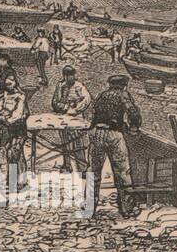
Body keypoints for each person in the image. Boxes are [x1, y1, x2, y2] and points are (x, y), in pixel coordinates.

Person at [87, 74, 141, 218]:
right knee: (122, 172)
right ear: (124, 85)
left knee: (94, 171)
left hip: (96, 133)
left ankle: (89, 207)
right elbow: (132, 112)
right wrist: (134, 127)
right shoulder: (123, 95)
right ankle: (127, 208)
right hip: (114, 135)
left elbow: (92, 113)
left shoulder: (102, 95)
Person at [51, 65, 93, 172]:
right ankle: (67, 165)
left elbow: (87, 99)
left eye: (71, 75)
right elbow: (55, 101)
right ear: (64, 76)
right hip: (63, 117)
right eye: (66, 76)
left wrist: (75, 110)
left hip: (76, 118)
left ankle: (82, 168)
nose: (69, 78)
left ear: (74, 75)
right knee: (65, 143)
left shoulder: (79, 86)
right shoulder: (60, 86)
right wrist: (63, 107)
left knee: (78, 143)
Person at [0, 73, 28, 172]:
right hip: (8, 130)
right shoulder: (3, 95)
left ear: (15, 83)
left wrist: (6, 119)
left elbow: (18, 114)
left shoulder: (20, 96)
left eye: (10, 83)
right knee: (9, 153)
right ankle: (14, 181)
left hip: (18, 128)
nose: (8, 86)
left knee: (14, 153)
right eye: (7, 84)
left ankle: (15, 182)